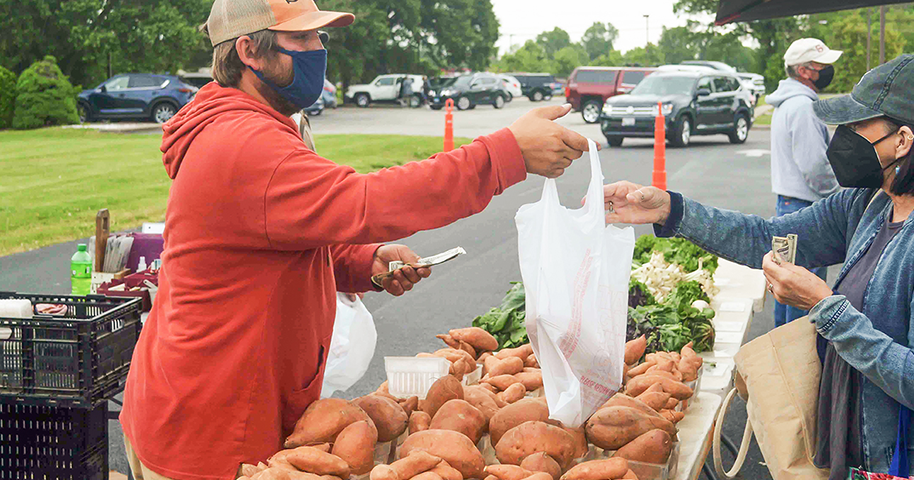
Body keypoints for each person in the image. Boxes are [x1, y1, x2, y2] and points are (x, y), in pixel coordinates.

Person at [118, 0, 592, 478]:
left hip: (200, 400)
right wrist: (504, 153)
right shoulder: (243, 141)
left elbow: (290, 233)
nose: (318, 49)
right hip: (210, 428)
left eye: (319, 37)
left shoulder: (250, 126)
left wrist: (366, 261)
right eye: (301, 38)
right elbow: (368, 201)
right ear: (249, 51)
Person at [602, 54, 914, 479]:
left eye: (859, 126)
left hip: (897, 458)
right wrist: (670, 210)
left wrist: (828, 310)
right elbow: (764, 237)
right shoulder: (869, 201)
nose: (844, 136)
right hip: (851, 446)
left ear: (903, 140)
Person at [765, 38, 843, 327]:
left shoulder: (788, 104)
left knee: (788, 291)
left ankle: (783, 364)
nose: (828, 70)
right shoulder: (803, 107)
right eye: (824, 66)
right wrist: (837, 197)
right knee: (803, 297)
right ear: (806, 71)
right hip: (807, 208)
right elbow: (814, 166)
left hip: (789, 205)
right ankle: (799, 367)